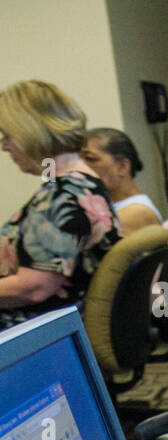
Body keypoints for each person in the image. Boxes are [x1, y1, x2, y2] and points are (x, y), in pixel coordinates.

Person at [0, 80, 120, 331]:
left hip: (37, 332)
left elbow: (35, 288)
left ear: (31, 131)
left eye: (8, 135)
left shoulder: (61, 197)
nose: (4, 145)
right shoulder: (84, 183)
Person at [81, 127, 164, 234]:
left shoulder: (136, 212)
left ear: (122, 167)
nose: (80, 167)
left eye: (91, 159)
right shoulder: (108, 206)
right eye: (78, 160)